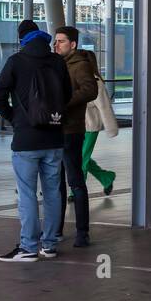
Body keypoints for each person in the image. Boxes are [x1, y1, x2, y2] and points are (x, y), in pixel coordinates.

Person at [0, 20, 72, 261]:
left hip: (26, 139)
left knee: (27, 194)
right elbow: (67, 94)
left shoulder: (17, 61)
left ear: (21, 38)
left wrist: (15, 118)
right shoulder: (57, 60)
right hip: (55, 137)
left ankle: (28, 247)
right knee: (53, 193)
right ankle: (49, 245)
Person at [52, 26, 99, 248]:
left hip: (71, 130)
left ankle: (82, 232)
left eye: (61, 41)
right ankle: (57, 228)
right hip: (57, 129)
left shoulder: (79, 65)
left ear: (73, 44)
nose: (56, 44)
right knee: (57, 183)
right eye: (55, 41)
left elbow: (91, 90)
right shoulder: (57, 64)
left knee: (75, 182)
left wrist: (65, 100)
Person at [78, 45, 119, 196]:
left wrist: (111, 129)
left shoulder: (96, 83)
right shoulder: (76, 80)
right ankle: (106, 177)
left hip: (90, 127)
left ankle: (76, 191)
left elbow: (105, 107)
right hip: (75, 126)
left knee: (81, 160)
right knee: (82, 157)